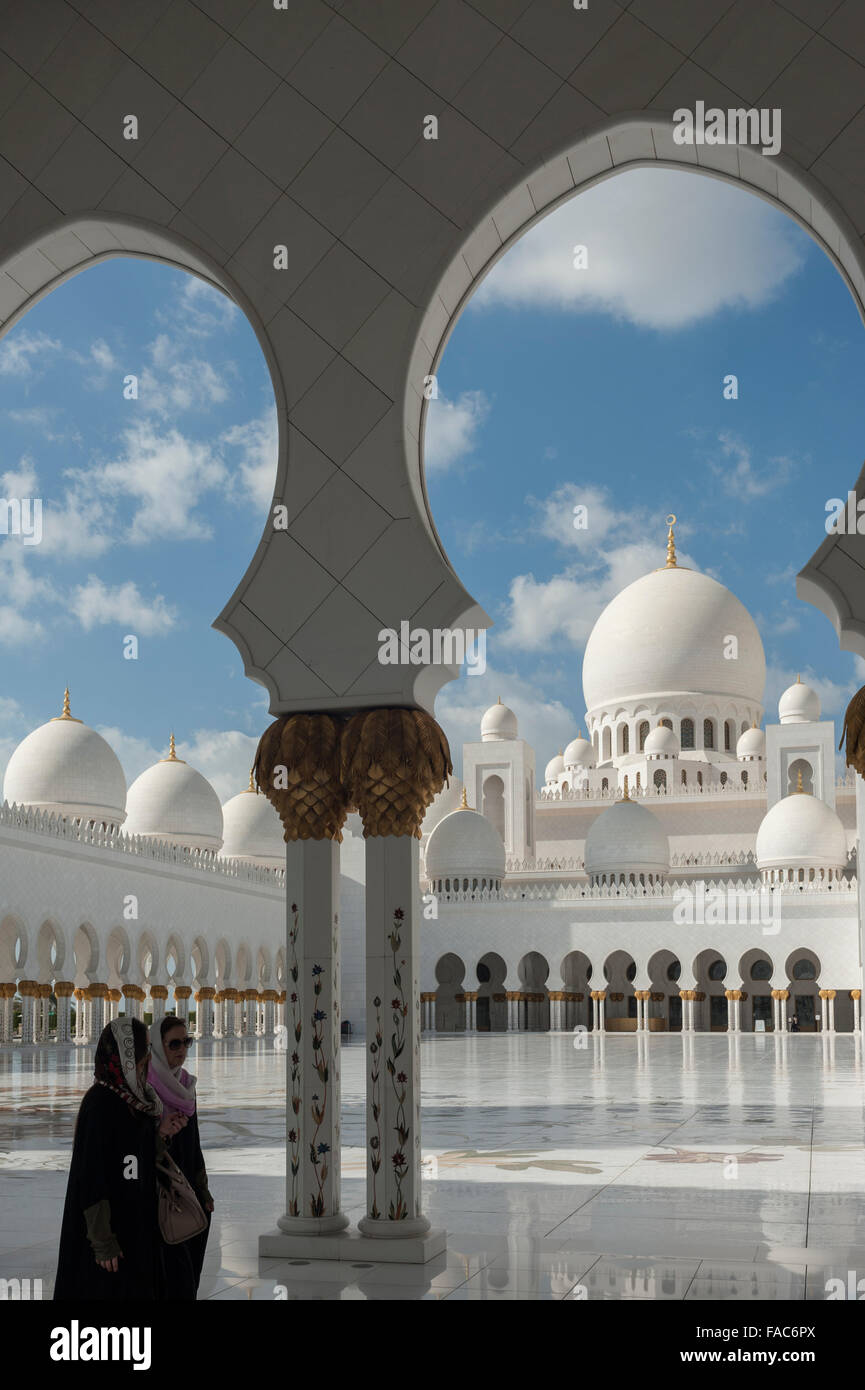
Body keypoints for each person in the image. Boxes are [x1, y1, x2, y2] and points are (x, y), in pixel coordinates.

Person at [54, 1016, 185, 1300]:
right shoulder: (100, 1103)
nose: (148, 1057)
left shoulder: (134, 1101)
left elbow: (132, 1156)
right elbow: (92, 1176)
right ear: (125, 1053)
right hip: (112, 1232)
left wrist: (160, 1135)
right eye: (143, 1049)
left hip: (137, 1224)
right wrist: (102, 1241)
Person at [148, 1015, 213, 1297]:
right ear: (157, 1045)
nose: (182, 1050)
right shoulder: (145, 1084)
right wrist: (160, 1133)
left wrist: (203, 1190)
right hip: (157, 1188)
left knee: (189, 1261)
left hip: (187, 1185)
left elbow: (194, 1143)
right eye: (174, 1043)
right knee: (169, 1268)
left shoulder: (187, 1085)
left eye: (186, 1042)